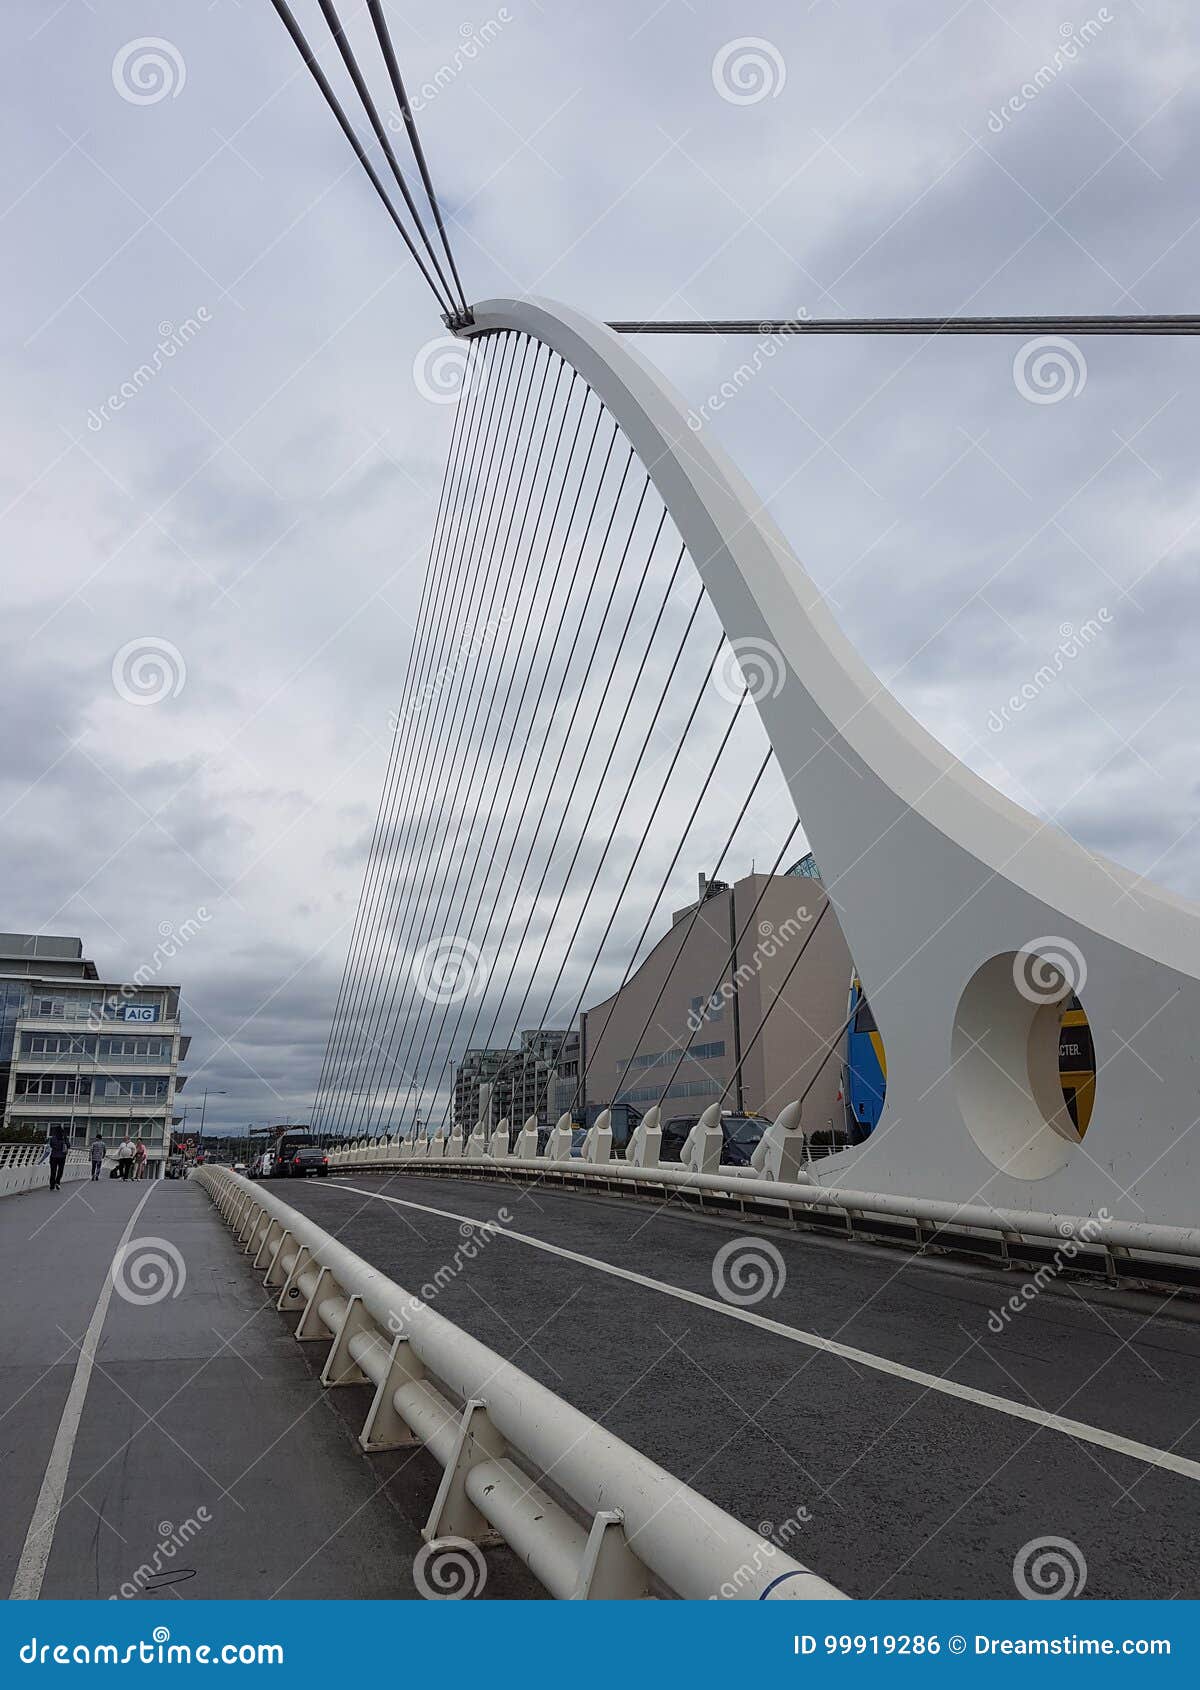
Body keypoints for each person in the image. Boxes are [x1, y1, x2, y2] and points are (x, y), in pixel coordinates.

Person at [47, 1123, 68, 1192]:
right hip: (62, 1156)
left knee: (53, 1171)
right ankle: (57, 1182)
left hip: (53, 1156)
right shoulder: (64, 1138)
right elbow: (69, 1145)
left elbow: (51, 1145)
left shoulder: (53, 1138)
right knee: (60, 1170)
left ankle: (52, 1185)